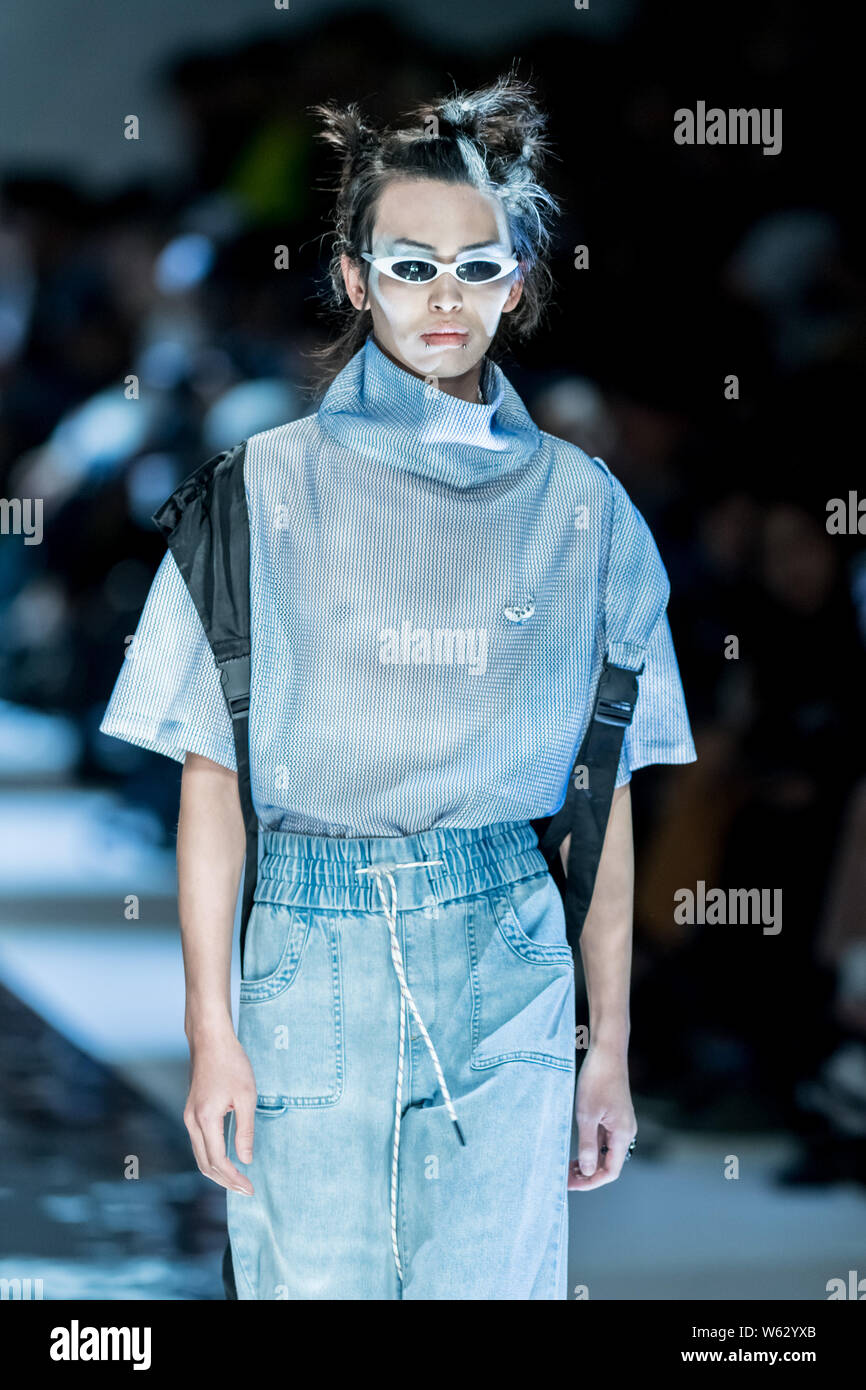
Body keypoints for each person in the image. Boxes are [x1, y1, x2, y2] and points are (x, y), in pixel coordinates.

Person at [99, 73, 697, 1300]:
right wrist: (210, 1030)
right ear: (354, 276)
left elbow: (606, 794)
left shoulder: (583, 510)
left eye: (476, 267)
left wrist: (608, 1047)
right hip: (307, 948)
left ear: (515, 283)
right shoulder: (258, 492)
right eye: (410, 264)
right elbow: (213, 782)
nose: (444, 296)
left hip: (506, 939)